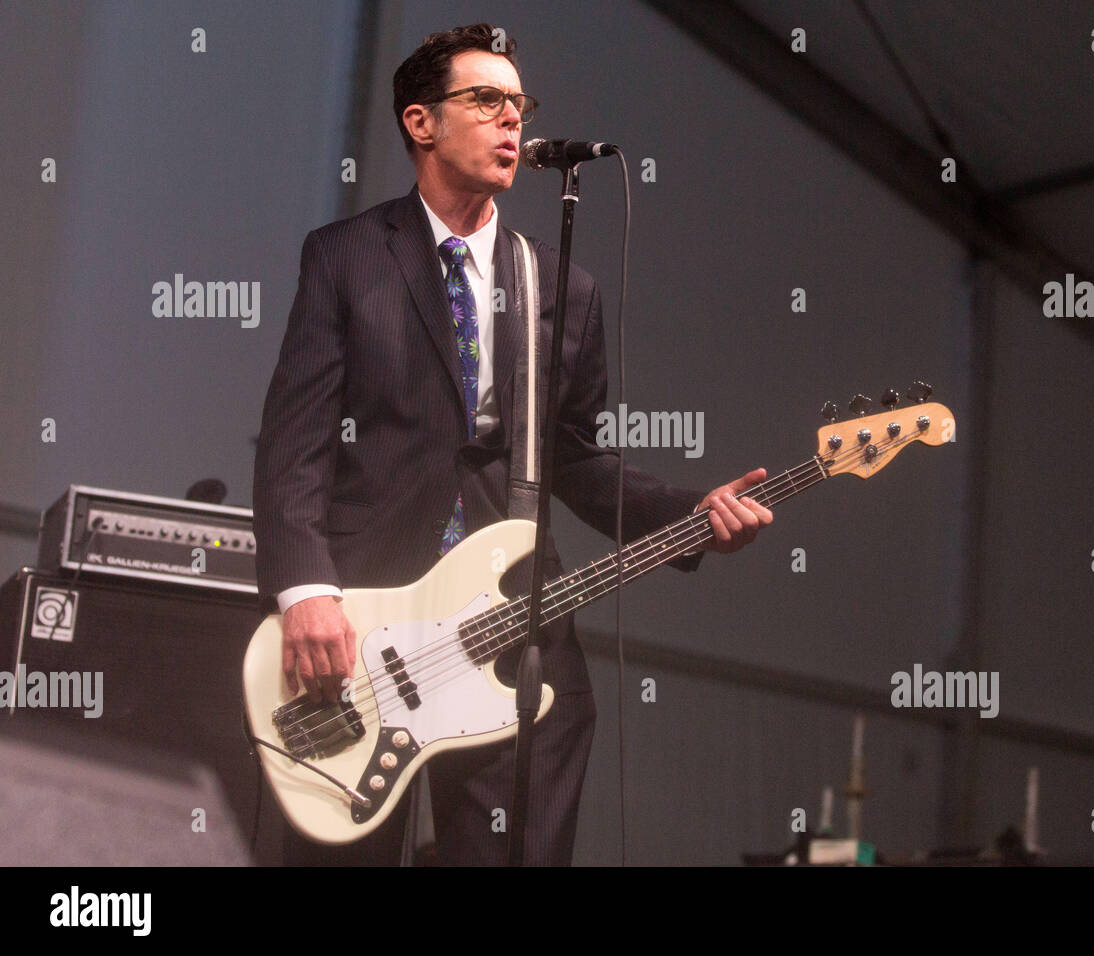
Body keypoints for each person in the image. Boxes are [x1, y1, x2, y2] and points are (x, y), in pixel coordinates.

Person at [252, 23, 771, 865]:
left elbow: (574, 455)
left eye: (518, 104)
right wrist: (305, 586)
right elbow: (294, 440)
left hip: (514, 627)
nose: (511, 120)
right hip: (366, 621)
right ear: (421, 123)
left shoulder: (562, 286)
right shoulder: (349, 257)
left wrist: (690, 511)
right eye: (484, 100)